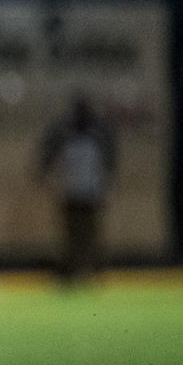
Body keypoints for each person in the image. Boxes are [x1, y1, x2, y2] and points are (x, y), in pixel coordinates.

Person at [40, 96, 115, 286]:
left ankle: (91, 271)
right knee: (70, 236)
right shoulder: (65, 137)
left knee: (91, 236)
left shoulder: (96, 137)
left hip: (90, 193)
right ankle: (69, 272)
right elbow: (48, 156)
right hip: (71, 192)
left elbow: (108, 162)